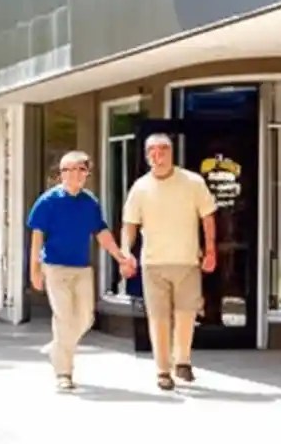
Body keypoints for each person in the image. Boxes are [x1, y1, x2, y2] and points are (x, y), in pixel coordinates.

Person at [28, 150, 136, 391]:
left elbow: (101, 233)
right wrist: (34, 270)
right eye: (66, 170)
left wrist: (120, 256)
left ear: (87, 173)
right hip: (55, 267)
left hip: (82, 268)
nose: (72, 174)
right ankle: (64, 372)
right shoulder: (47, 202)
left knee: (86, 318)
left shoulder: (90, 203)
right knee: (64, 317)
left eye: (79, 169)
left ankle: (58, 348)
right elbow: (37, 237)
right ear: (60, 174)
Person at [122, 133, 217, 391]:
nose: (158, 155)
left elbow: (208, 217)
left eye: (163, 149)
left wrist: (210, 250)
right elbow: (129, 224)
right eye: (152, 150)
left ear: (172, 152)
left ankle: (182, 361)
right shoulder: (140, 188)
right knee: (159, 318)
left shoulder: (192, 182)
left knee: (186, 314)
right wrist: (125, 253)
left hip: (187, 261)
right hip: (153, 263)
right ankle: (163, 370)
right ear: (146, 155)